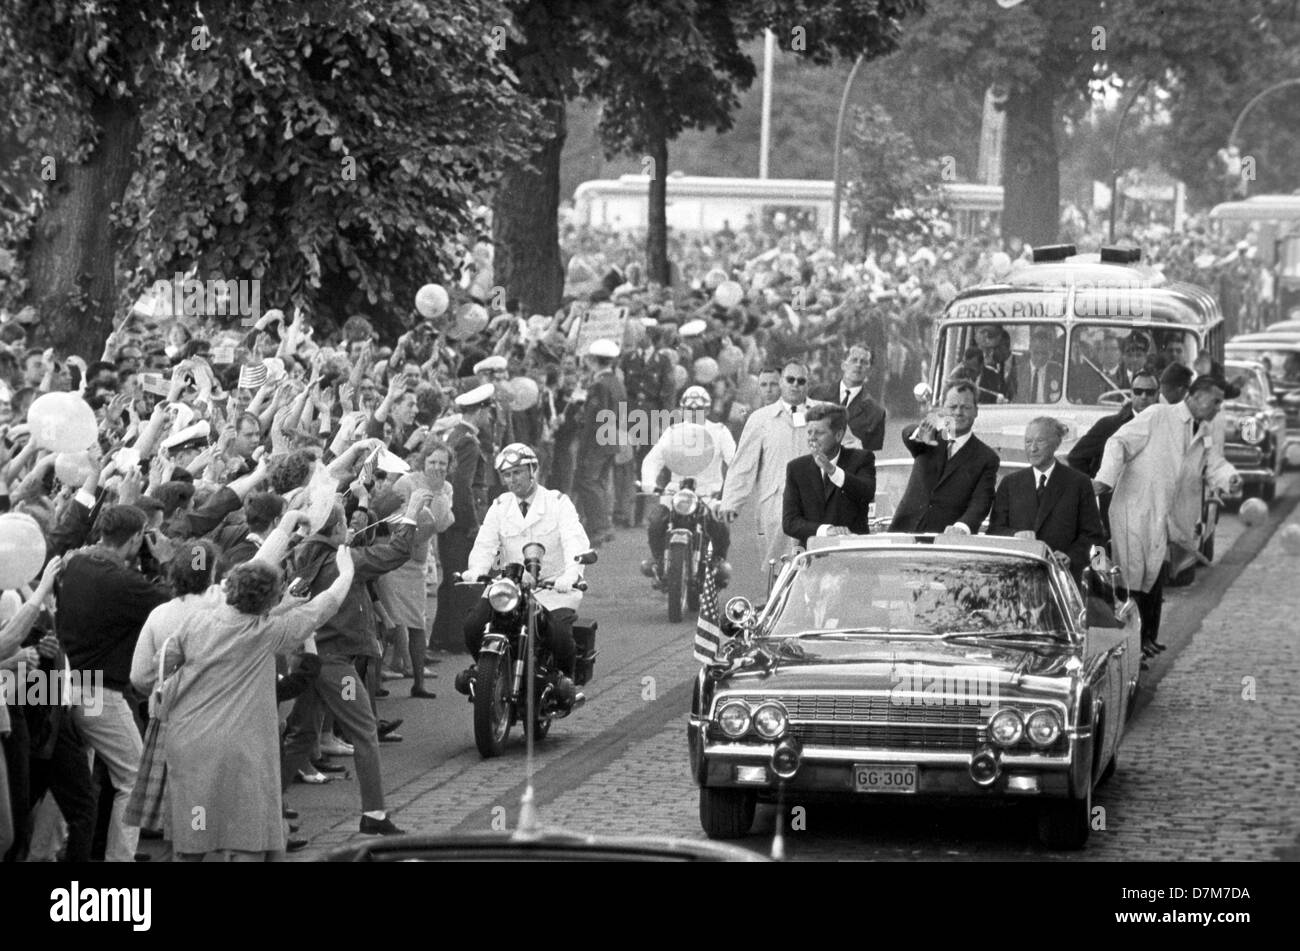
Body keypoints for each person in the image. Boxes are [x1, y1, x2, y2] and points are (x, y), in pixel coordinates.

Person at [143, 549, 356, 860]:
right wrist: (346, 573)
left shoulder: (195, 623)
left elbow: (153, 668)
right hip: (243, 749)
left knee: (193, 837)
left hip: (189, 743)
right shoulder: (268, 632)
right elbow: (321, 608)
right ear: (270, 600)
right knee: (247, 839)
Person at [280, 495, 431, 837]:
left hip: (311, 658)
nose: (349, 529)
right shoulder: (341, 562)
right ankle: (374, 814)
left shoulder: (305, 554)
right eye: (344, 524)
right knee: (364, 730)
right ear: (334, 530)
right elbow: (393, 554)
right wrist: (410, 513)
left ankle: (269, 802)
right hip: (335, 663)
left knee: (302, 735)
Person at [1094, 375, 1242, 658]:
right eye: (1215, 401)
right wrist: (1105, 479)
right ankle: (1129, 648)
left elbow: (1213, 465)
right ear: (1195, 396)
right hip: (1136, 510)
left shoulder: (1205, 431)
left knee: (1153, 577)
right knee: (1132, 578)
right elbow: (1118, 442)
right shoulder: (1158, 415)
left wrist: (1230, 478)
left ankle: (1146, 639)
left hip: (1166, 516)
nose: (1218, 408)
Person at [56, 504, 170, 862]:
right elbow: (172, 602)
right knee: (133, 780)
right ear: (137, 538)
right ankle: (119, 859)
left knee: (72, 783)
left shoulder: (75, 563)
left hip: (59, 685)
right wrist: (163, 560)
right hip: (98, 691)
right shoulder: (124, 584)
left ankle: (46, 852)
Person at [456, 443, 590, 708]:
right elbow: (485, 544)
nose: (512, 480)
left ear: (533, 471)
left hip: (550, 589)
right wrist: (477, 571)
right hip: (509, 589)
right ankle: (485, 673)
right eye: (507, 475)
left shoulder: (558, 502)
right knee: (472, 627)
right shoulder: (500, 506)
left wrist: (570, 575)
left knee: (561, 637)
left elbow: (575, 542)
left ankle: (566, 685)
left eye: (517, 472)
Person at [377, 440, 454, 699]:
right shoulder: (406, 482)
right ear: (423, 461)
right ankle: (379, 678)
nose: (437, 467)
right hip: (394, 559)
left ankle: (418, 681)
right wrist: (416, 519)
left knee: (417, 621)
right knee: (389, 620)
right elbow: (386, 516)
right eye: (432, 461)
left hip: (418, 562)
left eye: (442, 463)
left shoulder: (447, 489)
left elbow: (442, 526)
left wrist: (439, 500)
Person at [719, 360, 814, 569]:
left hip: (816, 503)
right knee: (777, 565)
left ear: (809, 384)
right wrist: (731, 501)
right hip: (774, 504)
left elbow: (849, 450)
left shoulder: (823, 414)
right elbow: (743, 464)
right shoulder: (760, 419)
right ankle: (777, 599)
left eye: (801, 381)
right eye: (790, 380)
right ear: (781, 382)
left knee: (814, 566)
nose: (795, 385)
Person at [988, 418, 1105, 581]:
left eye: (1040, 441)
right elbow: (994, 531)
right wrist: (1015, 535)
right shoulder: (1010, 483)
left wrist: (1071, 556)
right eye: (1028, 442)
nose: (1033, 448)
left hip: (1061, 582)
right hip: (1016, 580)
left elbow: (1094, 536)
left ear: (1056, 444)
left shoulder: (1079, 483)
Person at [639, 386, 734, 585]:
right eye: (689, 409)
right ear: (682, 410)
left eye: (699, 410)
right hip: (676, 492)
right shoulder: (673, 432)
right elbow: (653, 459)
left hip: (708, 492)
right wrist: (649, 483)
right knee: (656, 522)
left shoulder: (719, 432)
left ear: (707, 411)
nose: (693, 414)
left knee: (720, 526)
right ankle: (658, 560)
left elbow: (735, 461)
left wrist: (731, 488)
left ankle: (718, 562)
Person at [889, 381, 999, 535]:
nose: (958, 412)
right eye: (952, 407)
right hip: (902, 535)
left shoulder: (986, 457)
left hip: (946, 543)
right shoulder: (929, 439)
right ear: (943, 410)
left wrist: (962, 527)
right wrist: (921, 434)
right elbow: (908, 434)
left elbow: (981, 502)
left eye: (966, 407)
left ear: (976, 411)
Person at [782, 402, 876, 546]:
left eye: (819, 433)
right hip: (812, 556)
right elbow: (790, 522)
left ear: (838, 435)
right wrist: (825, 530)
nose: (812, 438)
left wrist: (832, 470)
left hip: (852, 553)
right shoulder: (796, 468)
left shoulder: (861, 459)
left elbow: (866, 493)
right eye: (809, 432)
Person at [572, 338, 626, 546]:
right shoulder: (616, 382)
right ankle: (602, 525)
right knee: (599, 482)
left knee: (588, 482)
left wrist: (584, 447)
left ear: (593, 360)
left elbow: (594, 419)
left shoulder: (599, 385)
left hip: (598, 441)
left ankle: (599, 527)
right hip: (611, 439)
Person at [1067, 368, 1161, 479]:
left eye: (1150, 392)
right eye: (1138, 391)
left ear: (1157, 394)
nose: (1143, 397)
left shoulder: (1166, 424)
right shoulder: (1108, 426)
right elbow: (1076, 458)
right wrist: (1095, 486)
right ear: (1131, 393)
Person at [808, 345, 887, 451]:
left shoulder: (876, 413)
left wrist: (862, 447)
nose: (858, 365)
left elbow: (873, 456)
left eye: (864, 362)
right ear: (843, 365)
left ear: (870, 371)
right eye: (854, 360)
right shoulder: (815, 393)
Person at [1015, 326, 1064, 404]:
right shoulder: (1017, 372)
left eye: (1044, 353)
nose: (1040, 357)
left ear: (1050, 353)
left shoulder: (1058, 372)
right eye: (1036, 352)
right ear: (1030, 349)